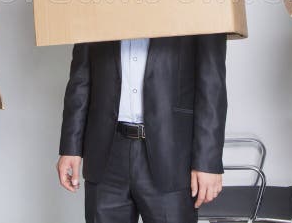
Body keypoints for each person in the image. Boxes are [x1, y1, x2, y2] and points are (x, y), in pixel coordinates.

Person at [57, 35, 227, 223]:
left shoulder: (200, 15)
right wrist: (71, 147)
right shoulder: (93, 15)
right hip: (106, 155)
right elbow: (80, 79)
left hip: (172, 155)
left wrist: (207, 161)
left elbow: (212, 86)